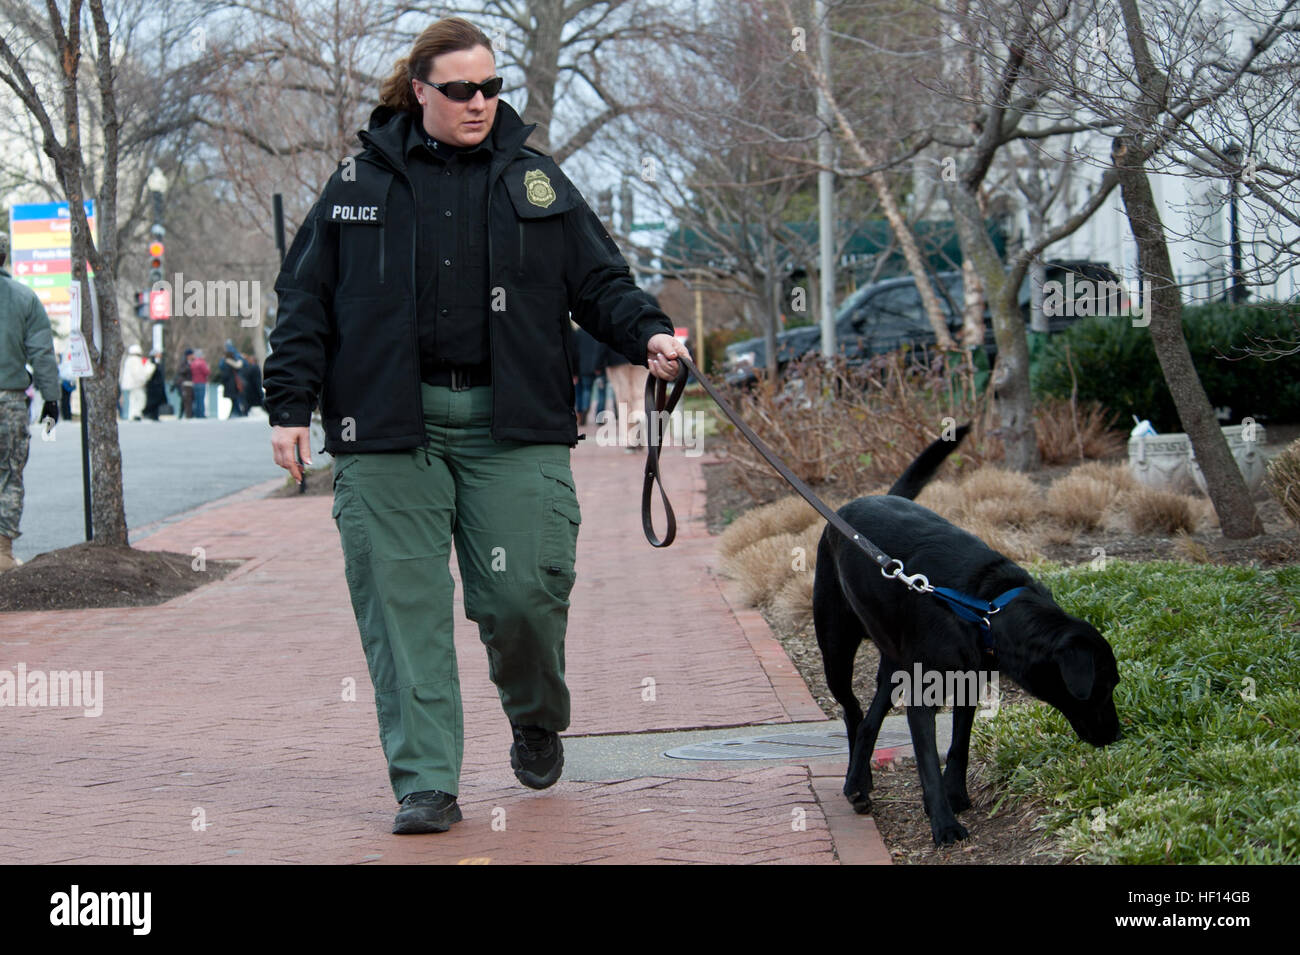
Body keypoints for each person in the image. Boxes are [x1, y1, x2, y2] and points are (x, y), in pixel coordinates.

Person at [263, 16, 689, 836]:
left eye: (491, 88)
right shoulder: (358, 186)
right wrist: (289, 404)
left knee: (526, 592)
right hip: (391, 427)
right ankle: (425, 780)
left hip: (514, 423)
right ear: (419, 91)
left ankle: (535, 712)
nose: (479, 102)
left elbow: (601, 284)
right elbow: (303, 301)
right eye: (460, 89)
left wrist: (650, 333)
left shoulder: (535, 182)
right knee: (403, 606)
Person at [0, 231, 60, 572]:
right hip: (9, 401)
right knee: (8, 475)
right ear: (4, 258)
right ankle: (2, 555)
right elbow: (42, 355)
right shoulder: (25, 299)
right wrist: (51, 400)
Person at [119, 344, 154, 420]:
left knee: (133, 399)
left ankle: (133, 415)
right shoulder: (135, 360)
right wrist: (142, 380)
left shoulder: (128, 360)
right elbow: (137, 373)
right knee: (139, 398)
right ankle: (136, 414)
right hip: (136, 384)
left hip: (130, 384)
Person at [219, 340, 247, 417]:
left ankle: (237, 413)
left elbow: (221, 367)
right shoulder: (237, 356)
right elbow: (244, 365)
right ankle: (237, 413)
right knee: (235, 398)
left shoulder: (225, 360)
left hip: (232, 382)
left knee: (235, 398)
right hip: (236, 381)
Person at [143, 349, 167, 421]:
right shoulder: (151, 362)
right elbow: (149, 373)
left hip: (157, 386)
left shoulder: (157, 362)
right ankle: (150, 415)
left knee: (156, 402)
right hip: (153, 386)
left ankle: (155, 415)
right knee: (152, 402)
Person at [189, 348, 210, 418]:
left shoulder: (193, 363)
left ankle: (197, 414)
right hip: (201, 382)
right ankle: (201, 414)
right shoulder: (202, 362)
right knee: (201, 399)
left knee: (196, 400)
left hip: (194, 383)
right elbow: (207, 372)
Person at [174, 348, 195, 418]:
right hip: (184, 384)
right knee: (186, 400)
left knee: (186, 400)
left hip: (190, 384)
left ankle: (184, 415)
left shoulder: (192, 362)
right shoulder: (184, 363)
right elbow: (180, 372)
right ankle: (188, 415)